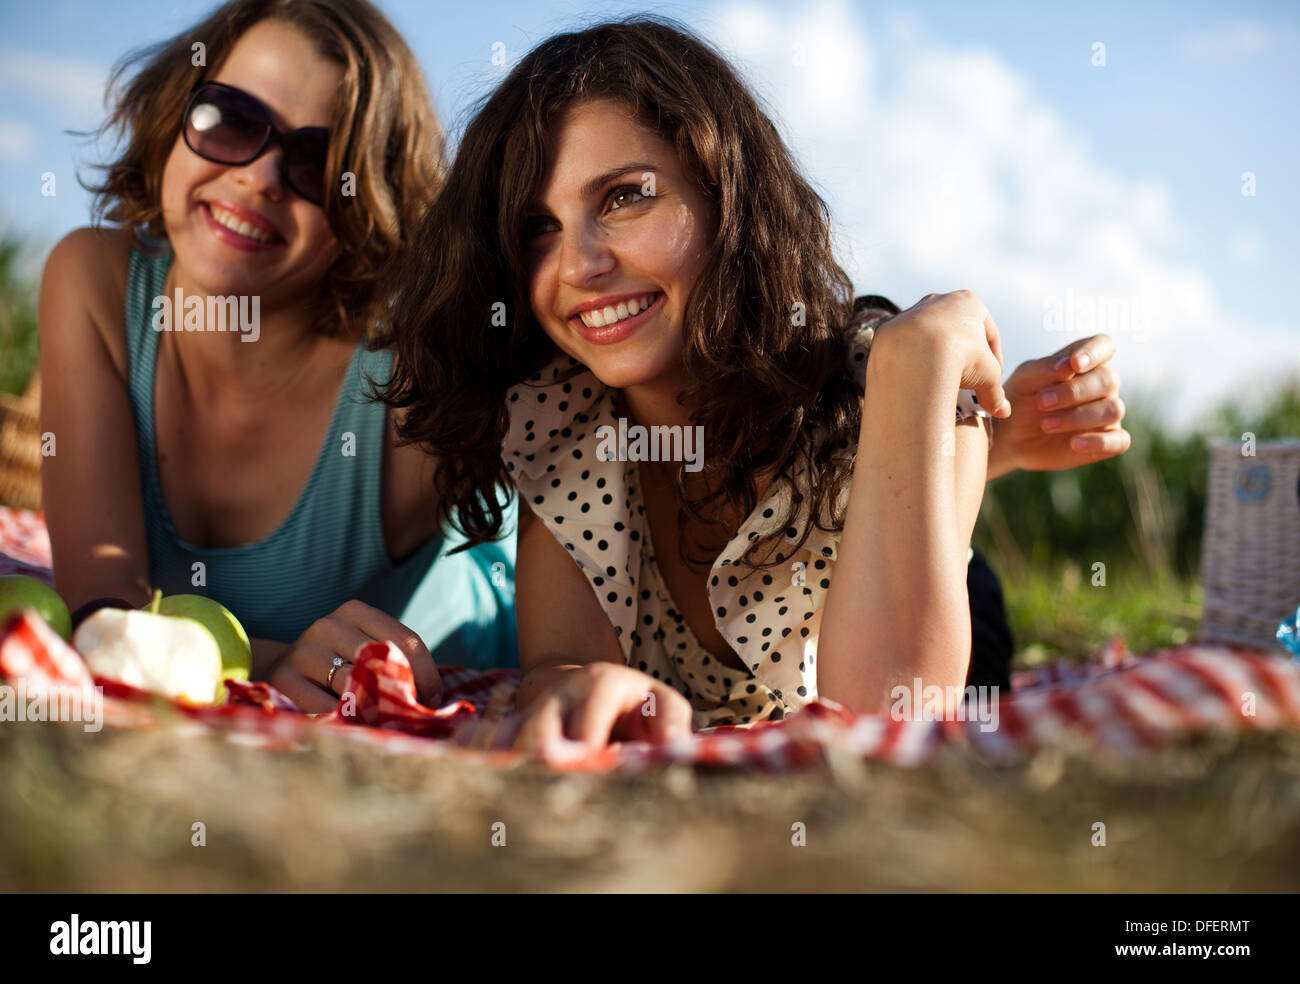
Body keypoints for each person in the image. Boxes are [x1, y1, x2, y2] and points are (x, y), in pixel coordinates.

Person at [385, 19, 1130, 748]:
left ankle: (984, 459)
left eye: (623, 197)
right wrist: (589, 689)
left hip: (945, 605)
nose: (578, 265)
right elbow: (560, 669)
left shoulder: (913, 386)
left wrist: (921, 357)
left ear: (727, 197)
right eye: (536, 228)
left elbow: (885, 718)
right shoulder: (559, 422)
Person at [39, 0, 517, 713]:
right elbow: (106, 615)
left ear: (366, 207)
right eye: (230, 120)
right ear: (176, 115)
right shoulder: (94, 280)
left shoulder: (410, 367)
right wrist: (277, 660)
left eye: (317, 163)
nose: (260, 177)